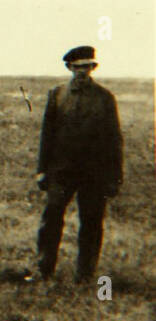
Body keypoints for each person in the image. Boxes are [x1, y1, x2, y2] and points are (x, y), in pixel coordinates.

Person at [28, 45, 123, 284]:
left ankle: (85, 275)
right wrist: (42, 170)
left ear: (93, 68)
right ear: (70, 68)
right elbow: (47, 135)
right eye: (79, 67)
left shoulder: (105, 98)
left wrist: (114, 177)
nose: (83, 72)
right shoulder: (57, 94)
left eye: (88, 67)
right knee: (51, 218)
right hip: (61, 171)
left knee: (91, 222)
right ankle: (44, 270)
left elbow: (114, 139)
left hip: (94, 174)